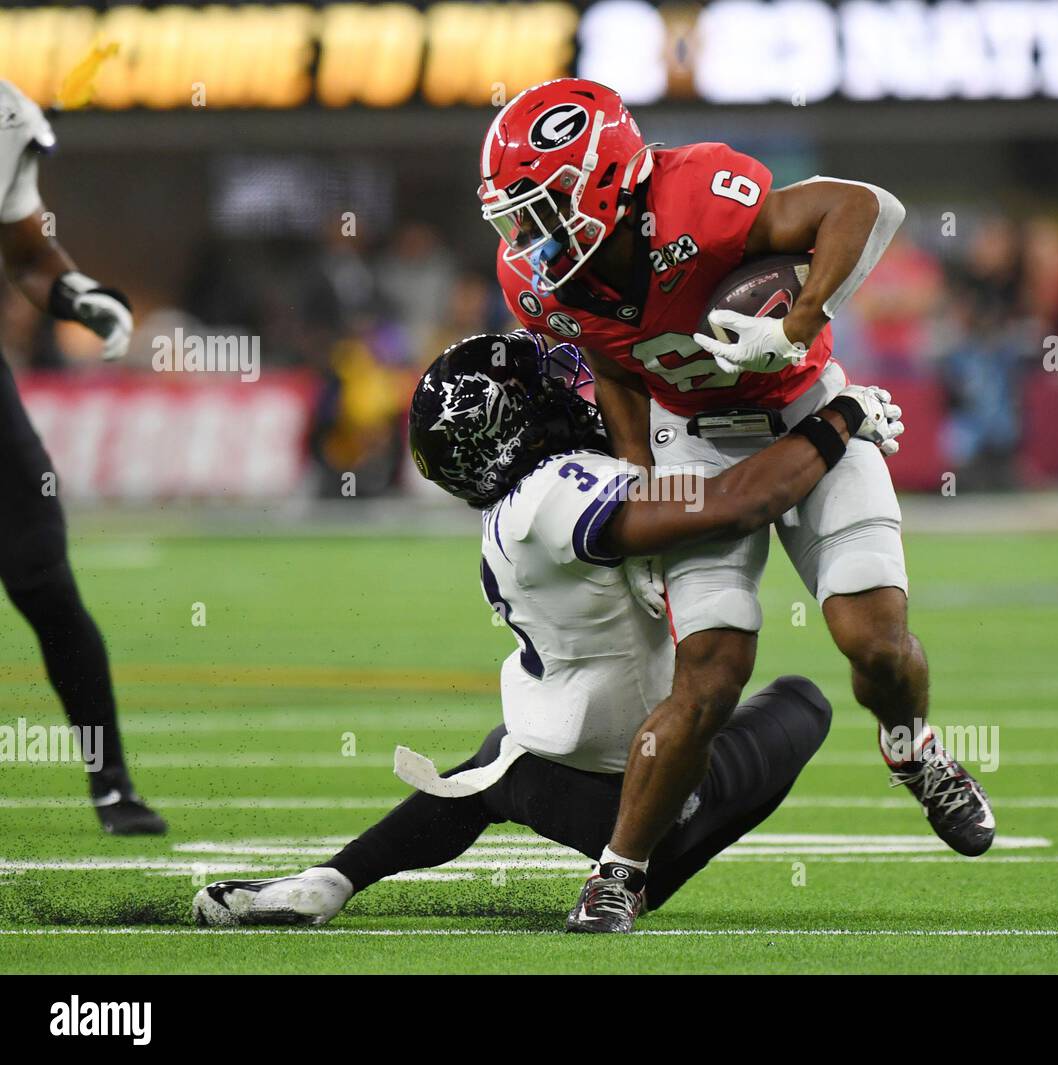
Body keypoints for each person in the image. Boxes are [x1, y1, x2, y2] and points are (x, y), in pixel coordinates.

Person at [479, 78, 994, 930]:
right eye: (516, 216)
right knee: (710, 672)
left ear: (605, 180)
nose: (525, 239)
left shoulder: (698, 197)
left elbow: (868, 206)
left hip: (809, 409)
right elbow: (612, 365)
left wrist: (796, 324)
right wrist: (637, 482)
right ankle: (621, 871)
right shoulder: (543, 282)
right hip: (695, 441)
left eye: (541, 209)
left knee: (879, 645)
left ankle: (913, 749)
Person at [193, 330, 901, 928]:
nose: (564, 393)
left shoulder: (519, 507)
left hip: (544, 774)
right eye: (539, 390)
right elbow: (732, 501)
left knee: (496, 763)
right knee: (804, 701)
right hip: (651, 805)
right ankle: (625, 872)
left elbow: (680, 487)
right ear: (506, 424)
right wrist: (836, 418)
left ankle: (331, 880)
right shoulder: (561, 491)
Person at [0, 79, 163, 834]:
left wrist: (74, 294)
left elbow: (27, 252)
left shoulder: (5, 121)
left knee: (43, 575)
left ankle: (113, 783)